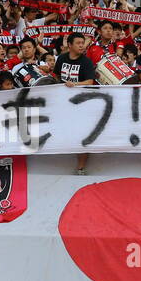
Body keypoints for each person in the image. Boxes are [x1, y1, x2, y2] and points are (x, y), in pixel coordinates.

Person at [54, 32, 97, 174]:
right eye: (78, 43)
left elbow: (90, 81)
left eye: (82, 43)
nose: (81, 46)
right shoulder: (61, 59)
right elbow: (56, 76)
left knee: (81, 134)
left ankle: (81, 167)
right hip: (62, 103)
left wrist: (75, 84)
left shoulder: (86, 62)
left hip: (81, 104)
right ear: (69, 45)